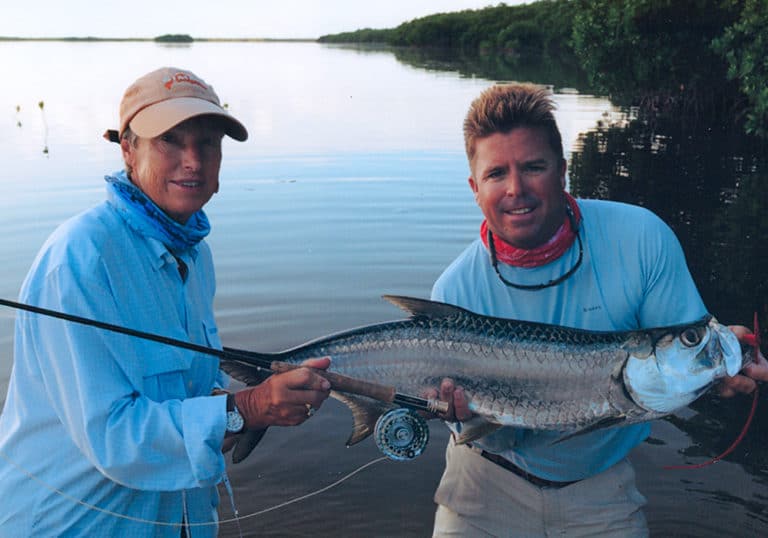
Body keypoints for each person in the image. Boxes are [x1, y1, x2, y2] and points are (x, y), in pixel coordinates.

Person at [0, 67, 331, 536]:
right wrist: (246, 408)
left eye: (207, 143)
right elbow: (114, 437)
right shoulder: (80, 258)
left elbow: (190, 391)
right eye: (170, 141)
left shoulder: (195, 255)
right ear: (128, 150)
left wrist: (254, 400)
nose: (192, 161)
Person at [427, 83, 768, 537]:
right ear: (475, 188)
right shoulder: (454, 290)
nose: (516, 189)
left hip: (600, 487)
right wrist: (464, 413)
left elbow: (675, 358)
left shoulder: (642, 238)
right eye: (496, 174)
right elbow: (495, 431)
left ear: (562, 171)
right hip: (481, 483)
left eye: (533, 167)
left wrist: (723, 365)